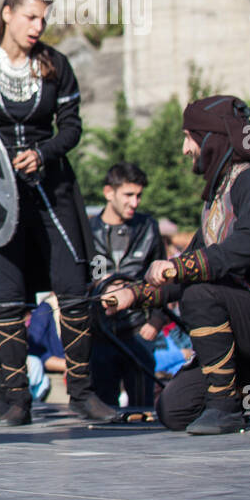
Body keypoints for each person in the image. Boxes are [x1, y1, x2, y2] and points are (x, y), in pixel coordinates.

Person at [0, 0, 113, 426]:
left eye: (43, 19)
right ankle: (15, 400)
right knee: (6, 298)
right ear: (7, 14)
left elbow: (72, 127)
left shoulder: (55, 64)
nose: (37, 26)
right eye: (30, 17)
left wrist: (43, 153)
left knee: (74, 289)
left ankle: (83, 393)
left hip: (52, 190)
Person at [104, 95, 250, 434]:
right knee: (175, 409)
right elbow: (184, 270)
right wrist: (131, 296)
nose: (185, 148)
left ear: (212, 138)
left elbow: (248, 246)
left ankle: (226, 407)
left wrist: (178, 268)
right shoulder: (219, 193)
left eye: (189, 137)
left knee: (201, 294)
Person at [89, 162, 165, 406]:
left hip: (138, 330)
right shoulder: (88, 231)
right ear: (108, 192)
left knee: (142, 409)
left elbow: (164, 279)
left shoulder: (148, 228)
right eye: (128, 195)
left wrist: (156, 320)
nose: (135, 203)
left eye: (139, 195)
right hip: (101, 334)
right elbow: (80, 280)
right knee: (103, 411)